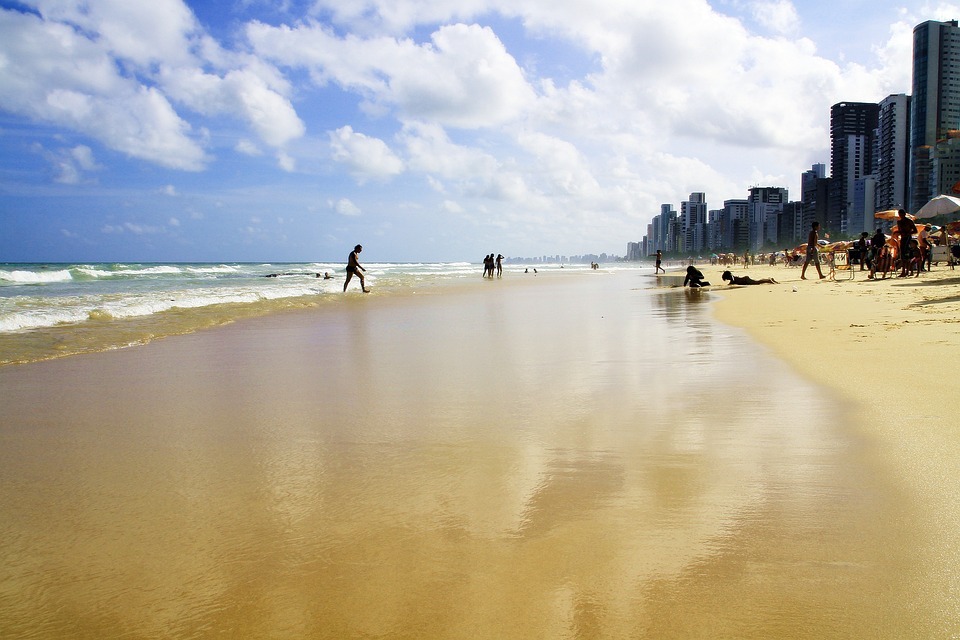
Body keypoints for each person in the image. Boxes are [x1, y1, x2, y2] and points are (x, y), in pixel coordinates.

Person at [896, 209, 918, 277]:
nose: (900, 215)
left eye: (901, 214)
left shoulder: (909, 221)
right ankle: (904, 271)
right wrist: (897, 232)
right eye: (899, 214)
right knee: (903, 256)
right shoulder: (899, 222)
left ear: (904, 214)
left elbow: (915, 230)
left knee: (907, 256)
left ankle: (907, 271)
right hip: (903, 239)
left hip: (908, 239)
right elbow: (900, 231)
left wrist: (908, 233)